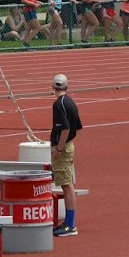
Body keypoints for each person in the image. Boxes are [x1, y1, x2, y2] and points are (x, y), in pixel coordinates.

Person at [49, 73, 82, 237]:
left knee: (66, 185)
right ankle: (69, 223)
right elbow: (78, 127)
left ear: (53, 87)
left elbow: (66, 128)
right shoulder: (70, 102)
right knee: (66, 184)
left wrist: (59, 149)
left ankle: (70, 224)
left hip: (63, 147)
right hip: (69, 145)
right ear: (66, 86)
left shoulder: (58, 104)